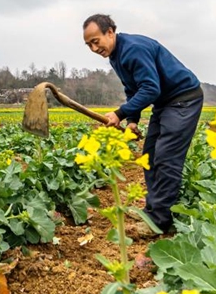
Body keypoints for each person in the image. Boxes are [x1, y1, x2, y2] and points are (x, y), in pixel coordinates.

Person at [82, 13, 204, 237]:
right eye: (88, 44)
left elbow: (150, 89)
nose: (93, 48)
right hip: (165, 103)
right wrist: (132, 121)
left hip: (184, 99)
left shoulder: (133, 49)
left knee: (166, 157)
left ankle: (159, 222)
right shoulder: (116, 56)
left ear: (110, 32)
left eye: (95, 41)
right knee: (149, 156)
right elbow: (134, 89)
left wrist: (119, 113)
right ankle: (152, 209)